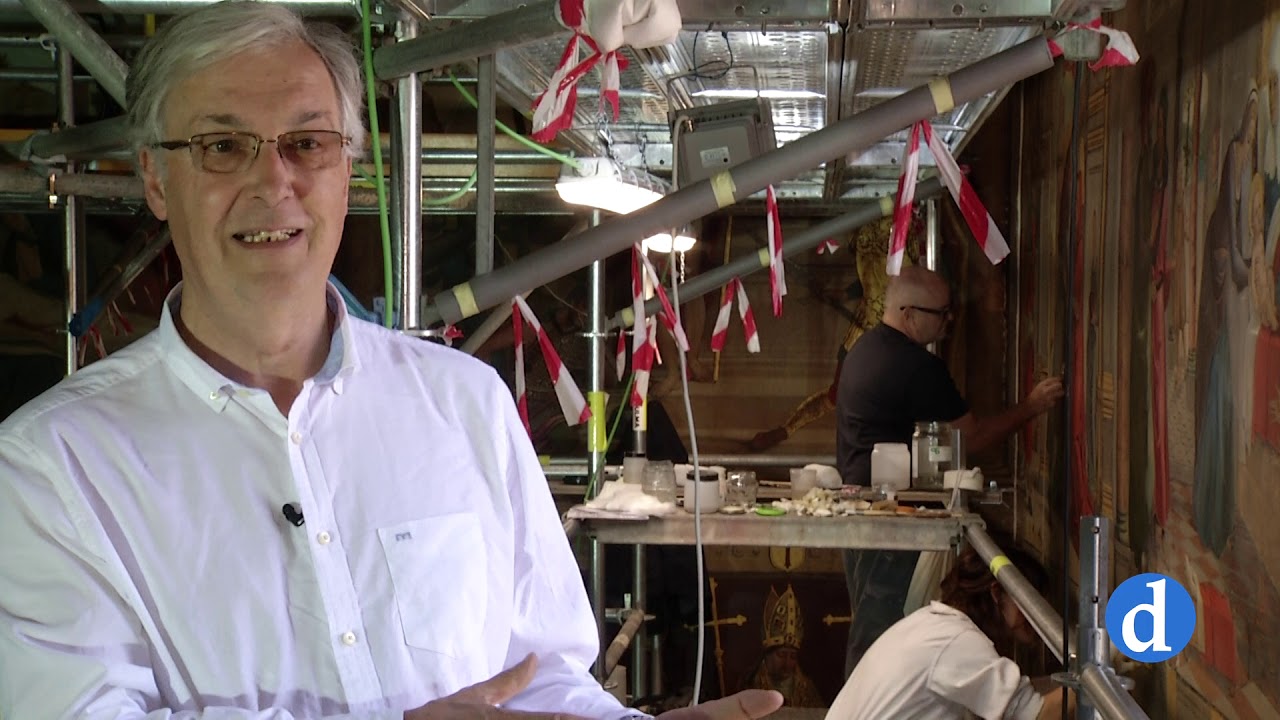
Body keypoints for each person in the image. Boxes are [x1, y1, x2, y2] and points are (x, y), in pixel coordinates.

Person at [0, 3, 784, 720]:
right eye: (221, 146)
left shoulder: (467, 403)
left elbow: (538, 673)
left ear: (347, 167)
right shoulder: (50, 464)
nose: (273, 182)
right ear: (155, 179)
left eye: (306, 143)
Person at [835, 266, 1063, 677]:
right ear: (908, 314)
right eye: (941, 313)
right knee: (884, 628)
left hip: (863, 514)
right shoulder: (918, 367)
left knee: (873, 626)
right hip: (894, 522)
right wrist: (1031, 408)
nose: (949, 320)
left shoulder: (863, 350)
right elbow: (970, 438)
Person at [826, 543, 1074, 720]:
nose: (1035, 615)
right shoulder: (958, 642)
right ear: (996, 593)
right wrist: (1101, 668)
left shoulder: (934, 623)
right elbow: (1037, 715)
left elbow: (1018, 696)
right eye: (1028, 602)